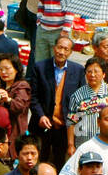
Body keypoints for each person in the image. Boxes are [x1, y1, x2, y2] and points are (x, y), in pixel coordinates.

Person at [28, 35, 84, 167]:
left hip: (65, 129)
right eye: (59, 47)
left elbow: (81, 102)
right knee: (38, 162)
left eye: (66, 49)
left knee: (59, 163)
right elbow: (33, 97)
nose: (61, 52)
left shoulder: (78, 70)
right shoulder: (40, 67)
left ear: (70, 52)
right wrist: (41, 116)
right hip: (42, 126)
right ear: (54, 48)